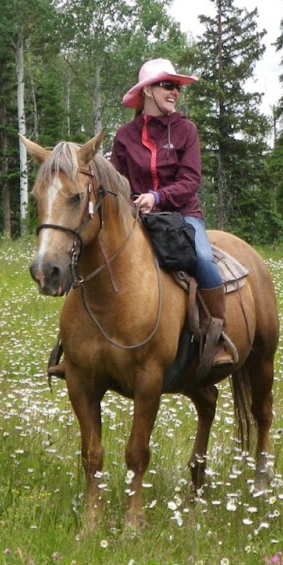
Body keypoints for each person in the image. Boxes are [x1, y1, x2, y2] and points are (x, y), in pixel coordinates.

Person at [107, 58, 234, 381]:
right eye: (168, 85)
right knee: (98, 254)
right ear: (147, 90)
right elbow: (117, 181)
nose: (175, 92)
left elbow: (190, 180)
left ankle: (216, 337)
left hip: (182, 216)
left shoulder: (186, 130)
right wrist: (131, 202)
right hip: (137, 218)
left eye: (177, 87)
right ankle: (75, 344)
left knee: (204, 259)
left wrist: (157, 197)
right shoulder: (125, 136)